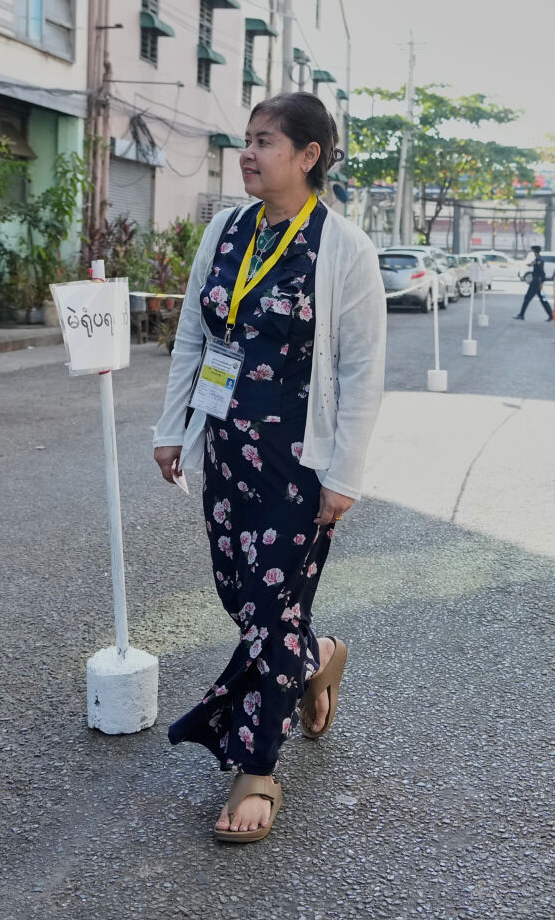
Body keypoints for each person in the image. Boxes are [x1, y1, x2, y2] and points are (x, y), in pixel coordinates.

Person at [151, 92, 386, 844]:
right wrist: (171, 426)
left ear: (308, 155)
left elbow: (361, 371)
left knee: (269, 603)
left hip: (299, 461)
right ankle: (318, 657)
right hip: (225, 449)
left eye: (264, 141)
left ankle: (255, 764)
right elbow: (193, 333)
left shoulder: (344, 249)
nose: (247, 153)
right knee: (245, 595)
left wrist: (343, 473)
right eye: (246, 140)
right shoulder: (227, 230)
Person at [513, 245, 552, 320]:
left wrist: (541, 282)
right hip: (537, 282)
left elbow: (542, 272)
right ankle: (551, 315)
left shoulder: (538, 260)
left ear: (535, 251)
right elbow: (531, 264)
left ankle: (521, 314)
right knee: (542, 299)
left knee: (527, 298)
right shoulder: (538, 259)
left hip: (535, 282)